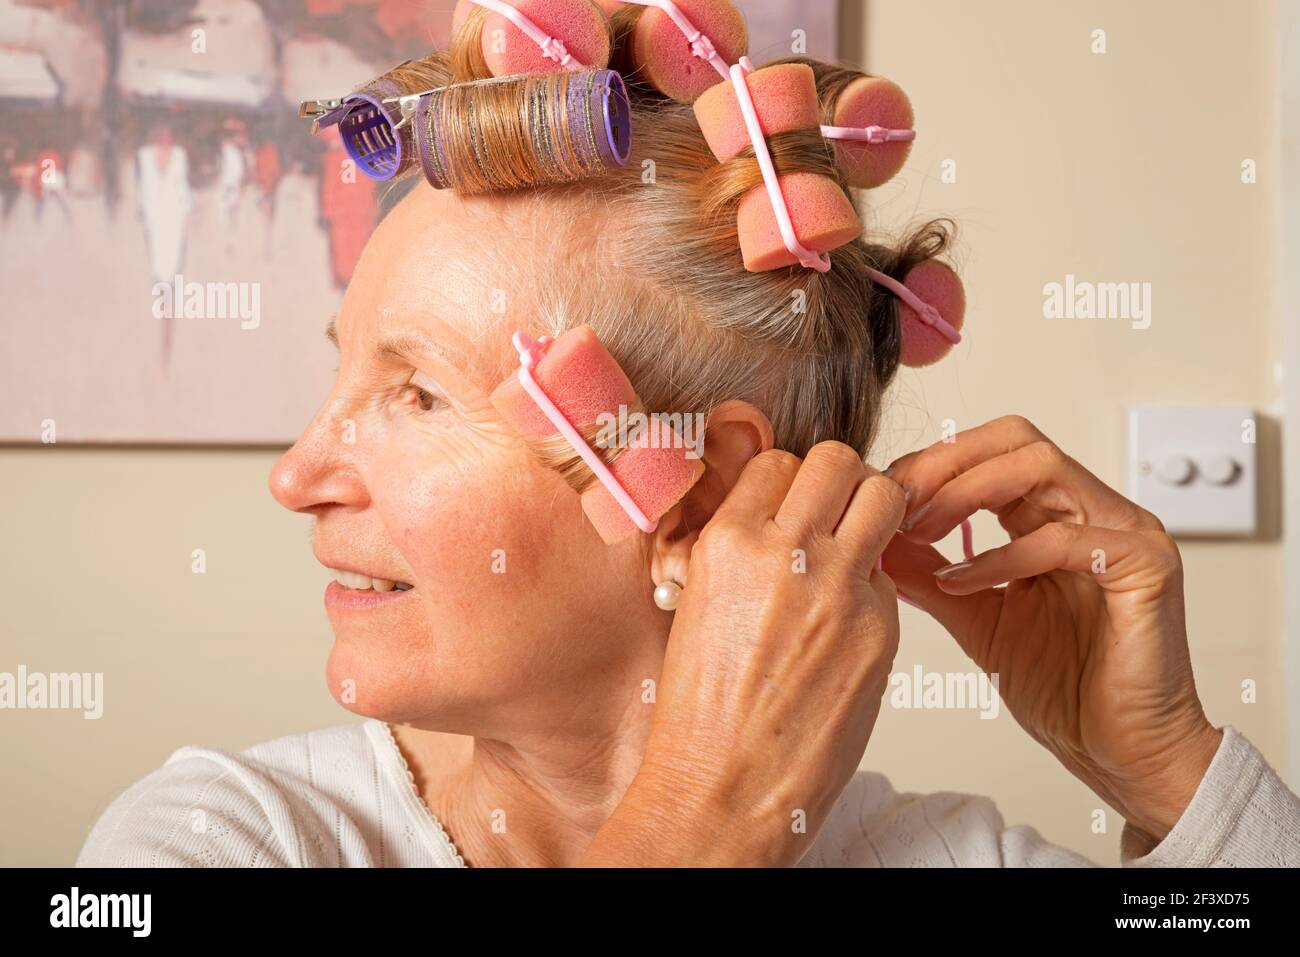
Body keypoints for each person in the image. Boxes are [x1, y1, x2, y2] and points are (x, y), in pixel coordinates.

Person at [75, 14, 1299, 867]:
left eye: (417, 396)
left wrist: (1162, 770)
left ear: (686, 485)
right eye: (343, 370)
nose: (295, 477)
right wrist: (705, 832)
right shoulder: (225, 841)